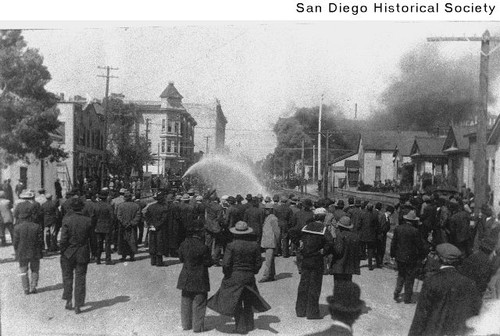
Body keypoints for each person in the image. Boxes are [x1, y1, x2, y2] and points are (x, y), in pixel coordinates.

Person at [207, 221, 270, 334]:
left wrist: (227, 274)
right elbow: (258, 263)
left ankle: (240, 327)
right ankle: (250, 324)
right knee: (248, 299)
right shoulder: (254, 245)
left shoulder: (231, 245)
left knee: (235, 300)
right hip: (249, 276)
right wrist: (253, 271)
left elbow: (226, 264)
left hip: (234, 275)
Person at [408, 243, 482, 336]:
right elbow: (475, 312)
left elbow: (420, 317)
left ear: (439, 259)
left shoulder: (431, 281)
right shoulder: (469, 284)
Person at [291, 208, 334, 319]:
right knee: (314, 286)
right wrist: (324, 251)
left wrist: (299, 243)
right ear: (323, 217)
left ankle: (300, 311)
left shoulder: (306, 227)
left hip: (305, 260)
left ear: (315, 216)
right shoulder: (324, 229)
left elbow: (292, 233)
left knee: (303, 285)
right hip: (317, 261)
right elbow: (330, 242)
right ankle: (312, 313)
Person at [177, 219, 213, 332]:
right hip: (200, 277)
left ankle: (186, 325)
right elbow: (208, 262)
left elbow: (181, 258)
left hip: (186, 276)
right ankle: (198, 327)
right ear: (199, 232)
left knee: (186, 301)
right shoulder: (203, 247)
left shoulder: (183, 244)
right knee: (199, 301)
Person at [59, 197, 93, 314]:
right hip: (82, 252)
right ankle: (78, 304)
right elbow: (92, 240)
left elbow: (63, 239)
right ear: (82, 207)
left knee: (67, 277)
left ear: (71, 208)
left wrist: (63, 251)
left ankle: (68, 300)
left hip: (68, 252)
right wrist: (93, 253)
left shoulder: (67, 220)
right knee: (80, 278)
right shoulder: (88, 220)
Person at [390, 210, 425, 304]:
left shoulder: (398, 228)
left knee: (401, 274)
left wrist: (392, 255)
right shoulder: (415, 231)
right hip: (411, 258)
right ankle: (407, 298)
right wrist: (422, 255)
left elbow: (393, 243)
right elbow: (420, 246)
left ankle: (397, 291)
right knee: (410, 277)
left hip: (399, 257)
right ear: (413, 221)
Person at [13, 203, 43, 295]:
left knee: (23, 270)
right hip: (34, 251)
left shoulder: (17, 228)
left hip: (22, 251)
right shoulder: (36, 226)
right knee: (35, 269)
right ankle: (33, 286)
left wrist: (16, 251)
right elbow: (40, 241)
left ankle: (26, 288)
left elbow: (15, 242)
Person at [330, 216, 360, 295]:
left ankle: (338, 304)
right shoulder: (356, 237)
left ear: (340, 226)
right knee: (347, 285)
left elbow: (338, 251)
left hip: (339, 265)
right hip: (350, 266)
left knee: (338, 287)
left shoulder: (340, 236)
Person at [145, 192, 168, 266]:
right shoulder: (164, 208)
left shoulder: (150, 207)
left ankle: (153, 261)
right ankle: (159, 262)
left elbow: (146, 217)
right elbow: (164, 219)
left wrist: (150, 225)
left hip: (152, 228)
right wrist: (157, 226)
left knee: (152, 243)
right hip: (160, 229)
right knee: (159, 244)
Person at [116, 192, 141, 262]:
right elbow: (138, 216)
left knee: (123, 240)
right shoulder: (136, 206)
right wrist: (132, 223)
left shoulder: (120, 206)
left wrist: (124, 223)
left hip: (123, 226)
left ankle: (123, 256)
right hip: (132, 226)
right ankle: (132, 256)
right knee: (132, 240)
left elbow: (119, 216)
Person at [259, 202, 280, 283]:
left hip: (270, 242)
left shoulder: (273, 218)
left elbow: (277, 232)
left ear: (271, 210)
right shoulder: (268, 217)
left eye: (267, 209)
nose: (266, 211)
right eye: (265, 209)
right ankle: (271, 275)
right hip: (267, 241)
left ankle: (266, 275)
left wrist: (277, 241)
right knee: (270, 259)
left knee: (268, 260)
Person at [93, 192, 114, 265]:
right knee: (107, 244)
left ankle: (98, 259)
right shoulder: (109, 206)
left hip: (98, 227)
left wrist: (94, 225)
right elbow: (112, 217)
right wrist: (111, 226)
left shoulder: (96, 206)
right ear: (106, 197)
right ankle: (108, 260)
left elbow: (93, 217)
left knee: (99, 244)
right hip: (107, 227)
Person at [357, 203, 379, 270]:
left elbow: (359, 224)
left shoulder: (362, 214)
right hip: (371, 236)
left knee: (360, 250)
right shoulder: (374, 216)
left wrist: (359, 230)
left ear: (366, 208)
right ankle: (370, 265)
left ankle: (358, 265)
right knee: (370, 250)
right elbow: (376, 226)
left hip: (363, 235)